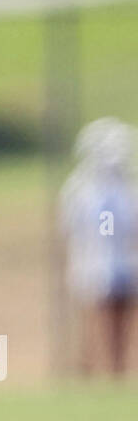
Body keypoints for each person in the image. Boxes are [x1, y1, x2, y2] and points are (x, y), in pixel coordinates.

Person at [60, 117, 138, 375]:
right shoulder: (80, 191)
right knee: (93, 327)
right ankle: (90, 375)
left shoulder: (126, 190)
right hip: (92, 268)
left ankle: (117, 373)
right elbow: (71, 231)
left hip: (124, 266)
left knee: (121, 325)